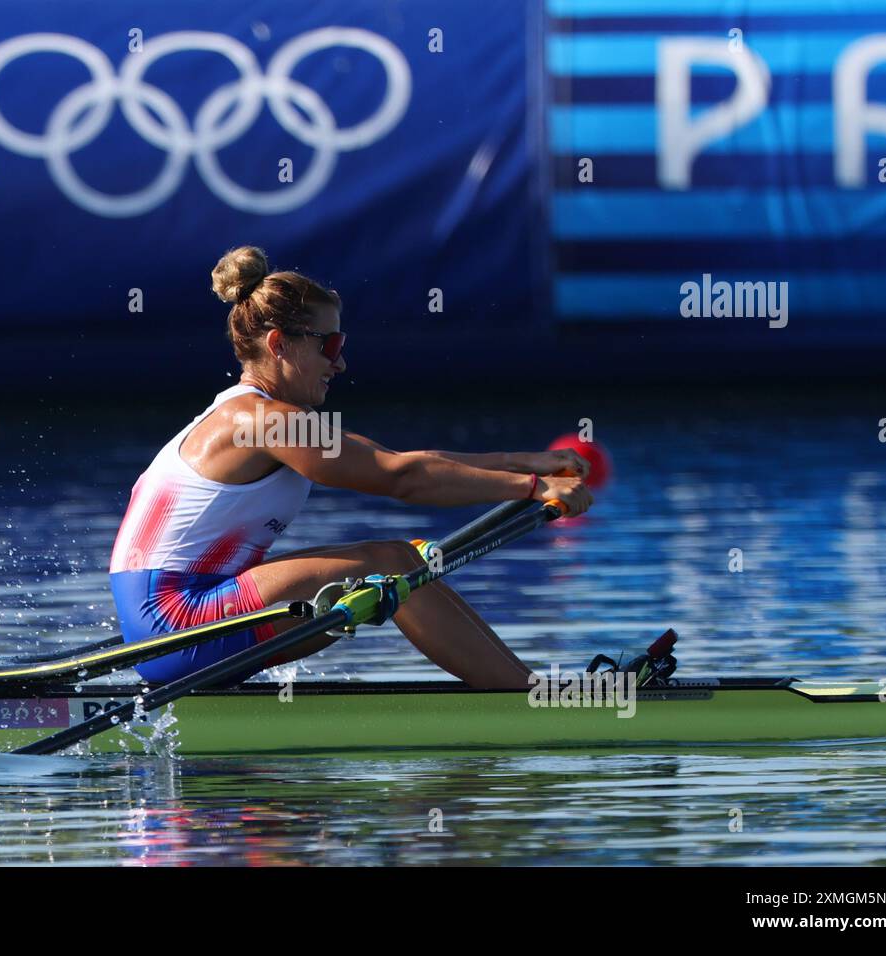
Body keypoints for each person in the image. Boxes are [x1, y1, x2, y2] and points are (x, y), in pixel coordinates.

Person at [109, 246, 592, 689]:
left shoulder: (259, 417)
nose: (339, 364)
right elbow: (401, 479)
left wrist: (527, 462)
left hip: (184, 617)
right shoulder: (263, 421)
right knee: (392, 564)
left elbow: (401, 463)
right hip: (176, 625)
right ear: (279, 344)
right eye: (330, 345)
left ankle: (522, 684)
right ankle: (529, 695)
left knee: (409, 563)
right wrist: (531, 486)